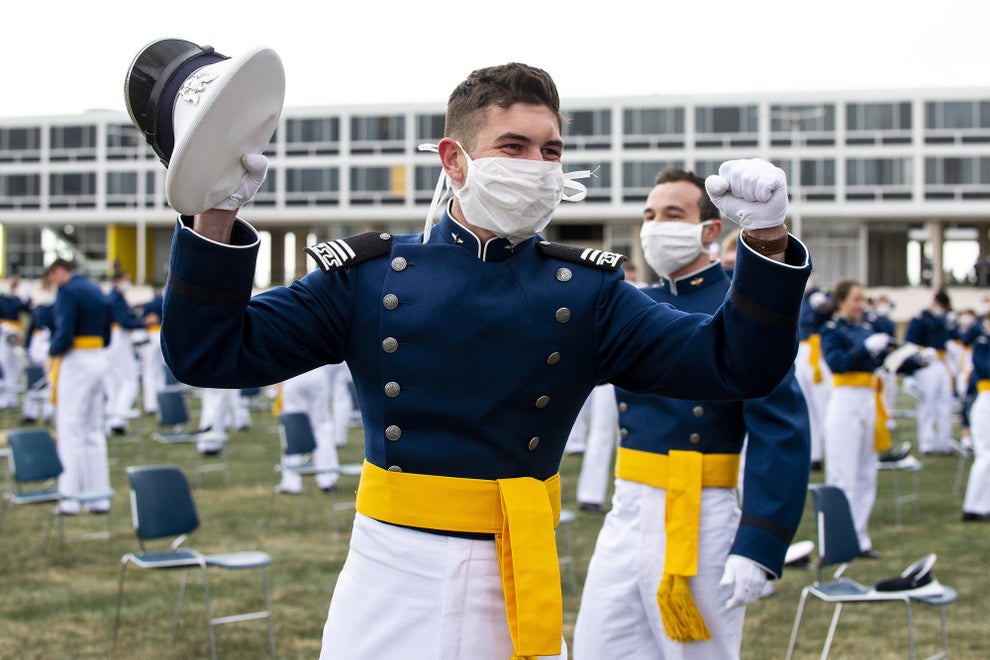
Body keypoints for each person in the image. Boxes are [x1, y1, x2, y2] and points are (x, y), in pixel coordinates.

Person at [152, 61, 811, 659]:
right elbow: (208, 353)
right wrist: (214, 215)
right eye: (514, 147)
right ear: (454, 158)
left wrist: (765, 245)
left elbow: (735, 366)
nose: (537, 164)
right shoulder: (370, 277)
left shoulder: (588, 293)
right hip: (389, 570)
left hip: (513, 572)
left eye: (551, 150)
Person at [572, 167, 811, 659]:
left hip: (700, 514)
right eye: (650, 215)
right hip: (628, 506)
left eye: (673, 214)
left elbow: (780, 429)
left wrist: (759, 542)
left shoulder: (739, 308)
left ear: (708, 231)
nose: (656, 225)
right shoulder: (632, 304)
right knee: (601, 646)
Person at [820, 278, 899, 558]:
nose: (861, 305)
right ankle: (838, 538)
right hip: (845, 400)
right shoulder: (832, 330)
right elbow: (837, 363)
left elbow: (876, 364)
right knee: (843, 473)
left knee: (867, 471)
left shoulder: (866, 328)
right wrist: (865, 349)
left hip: (868, 399)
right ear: (841, 302)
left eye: (863, 299)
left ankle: (860, 537)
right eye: (855, 299)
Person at [44, 258, 113, 515]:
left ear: (60, 271)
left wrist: (52, 351)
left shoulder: (68, 291)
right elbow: (107, 331)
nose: (53, 282)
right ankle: (99, 497)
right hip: (98, 356)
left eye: (52, 277)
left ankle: (69, 498)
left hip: (76, 359)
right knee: (93, 430)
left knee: (70, 429)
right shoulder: (95, 289)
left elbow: (64, 333)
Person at [905, 289, 958, 455]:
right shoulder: (920, 319)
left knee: (945, 403)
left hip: (942, 362)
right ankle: (926, 443)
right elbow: (910, 345)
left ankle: (944, 442)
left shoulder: (944, 319)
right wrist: (909, 373)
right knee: (927, 405)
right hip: (925, 364)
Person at [275, 365, 340, 493]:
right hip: (316, 371)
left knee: (293, 427)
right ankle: (327, 479)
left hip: (293, 373)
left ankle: (291, 482)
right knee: (321, 427)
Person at [795, 277, 834, 471]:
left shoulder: (821, 295)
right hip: (800, 353)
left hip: (816, 352)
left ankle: (832, 449)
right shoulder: (795, 295)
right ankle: (814, 454)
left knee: (824, 404)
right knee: (806, 406)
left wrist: (821, 299)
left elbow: (830, 308)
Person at [104, 270, 146, 434]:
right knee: (130, 379)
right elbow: (124, 322)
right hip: (117, 337)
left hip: (109, 340)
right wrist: (143, 322)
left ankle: (111, 419)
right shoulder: (116, 299)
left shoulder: (110, 298)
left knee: (114, 382)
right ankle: (118, 419)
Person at [962, 312, 990, 521]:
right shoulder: (981, 345)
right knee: (985, 457)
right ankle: (973, 506)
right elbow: (984, 369)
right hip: (985, 402)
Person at [21, 279, 56, 424]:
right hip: (37, 343)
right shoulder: (36, 308)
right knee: (33, 375)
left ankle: (49, 412)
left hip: (49, 342)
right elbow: (30, 328)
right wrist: (27, 346)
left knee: (49, 377)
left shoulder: (56, 306)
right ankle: (31, 412)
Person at [0, 275, 31, 409]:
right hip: (4, 332)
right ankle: (5, 397)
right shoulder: (2, 298)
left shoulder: (17, 298)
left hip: (15, 334)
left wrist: (25, 295)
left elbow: (28, 309)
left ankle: (11, 398)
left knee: (15, 366)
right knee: (4, 364)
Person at [139, 287, 166, 415]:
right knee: (161, 371)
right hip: (163, 335)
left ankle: (150, 404)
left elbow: (144, 320)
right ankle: (163, 402)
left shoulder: (149, 304)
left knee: (149, 371)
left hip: (151, 335)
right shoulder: (165, 301)